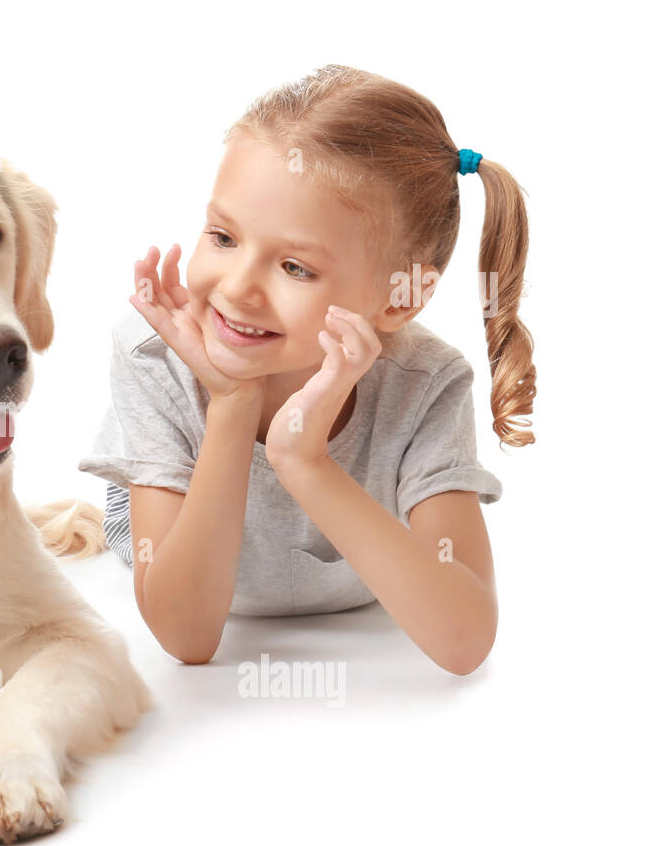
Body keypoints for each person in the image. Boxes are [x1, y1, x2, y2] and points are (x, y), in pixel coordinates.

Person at [77, 64, 534, 675]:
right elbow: (187, 638)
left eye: (295, 268)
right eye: (222, 236)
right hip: (177, 530)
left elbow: (465, 643)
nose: (237, 289)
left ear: (399, 298)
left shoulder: (426, 385)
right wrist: (232, 403)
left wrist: (305, 461)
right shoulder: (155, 356)